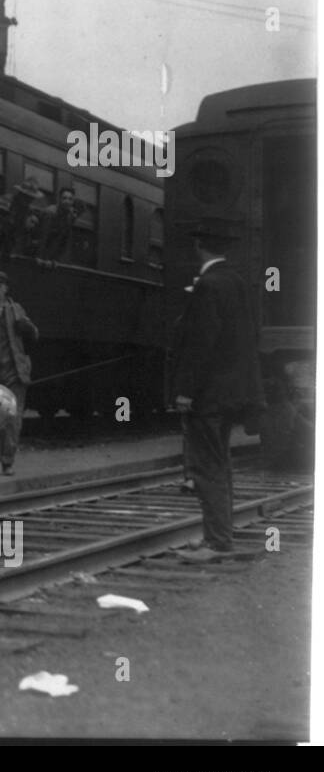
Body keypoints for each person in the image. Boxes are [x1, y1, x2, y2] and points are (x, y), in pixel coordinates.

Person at [171, 220, 265, 561]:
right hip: (233, 393)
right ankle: (219, 535)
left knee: (207, 466)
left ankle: (217, 542)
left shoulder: (208, 285)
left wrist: (186, 391)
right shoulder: (238, 282)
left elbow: (201, 343)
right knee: (220, 464)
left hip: (208, 395)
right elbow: (250, 337)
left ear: (199, 245)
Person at [0, 270, 39, 475]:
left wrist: (26, 328)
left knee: (13, 418)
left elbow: (34, 335)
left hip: (15, 371)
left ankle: (7, 461)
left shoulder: (16, 309)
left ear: (6, 288)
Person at [38, 187, 82, 267]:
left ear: (73, 201)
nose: (67, 201)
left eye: (70, 199)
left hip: (50, 259)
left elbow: (63, 240)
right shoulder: (50, 212)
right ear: (59, 199)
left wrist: (55, 259)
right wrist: (42, 257)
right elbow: (43, 236)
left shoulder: (69, 217)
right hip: (38, 255)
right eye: (64, 198)